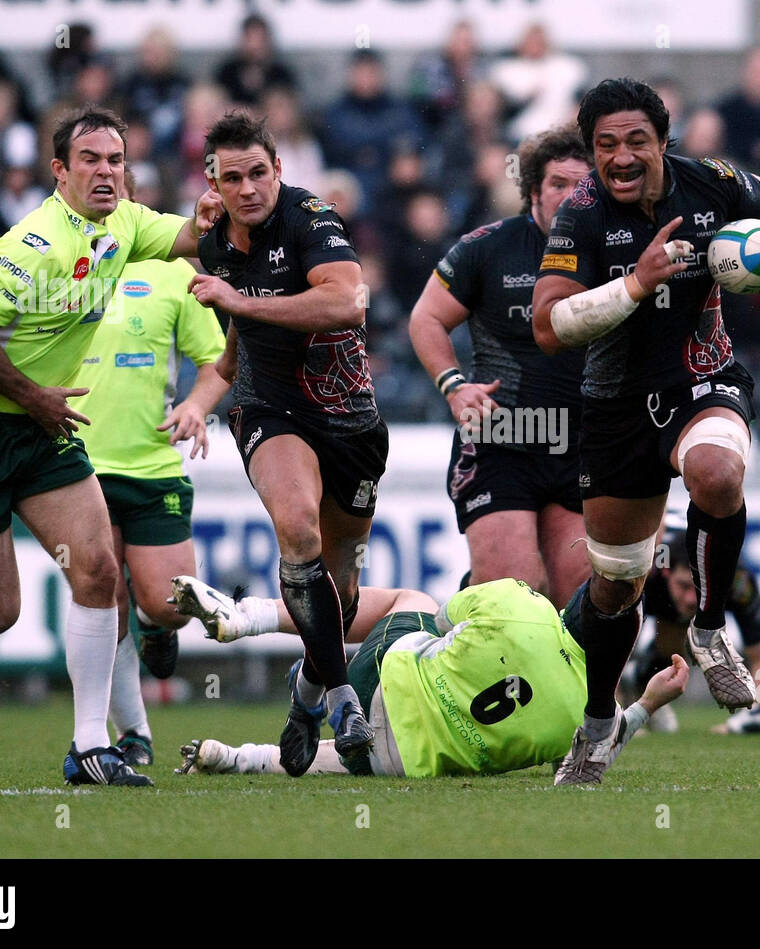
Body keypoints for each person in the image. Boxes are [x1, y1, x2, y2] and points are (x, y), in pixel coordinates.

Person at [0, 107, 219, 787]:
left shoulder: (125, 220)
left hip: (46, 427)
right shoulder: (33, 242)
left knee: (98, 572)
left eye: (116, 159)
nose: (107, 171)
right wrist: (33, 395)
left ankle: (90, 746)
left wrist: (217, 210)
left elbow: (190, 234)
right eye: (91, 159)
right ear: (59, 171)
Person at [532, 77, 760, 784]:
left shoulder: (707, 180)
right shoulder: (581, 217)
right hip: (616, 410)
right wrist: (636, 283)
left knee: (716, 472)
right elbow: (548, 324)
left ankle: (710, 629)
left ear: (663, 141)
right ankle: (597, 722)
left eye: (636, 142)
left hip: (702, 379)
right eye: (605, 146)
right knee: (618, 585)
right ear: (593, 153)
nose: (621, 157)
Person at [190, 111, 387, 777]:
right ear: (212, 180)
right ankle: (341, 697)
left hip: (351, 420)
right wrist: (198, 402)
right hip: (268, 408)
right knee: (296, 527)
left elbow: (346, 302)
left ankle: (304, 697)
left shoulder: (311, 216)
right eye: (232, 177)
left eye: (258, 173)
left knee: (345, 590)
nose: (248, 188)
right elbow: (232, 352)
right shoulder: (209, 238)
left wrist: (240, 301)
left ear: (279, 168)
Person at [169, 575, 688, 778]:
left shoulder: (520, 601)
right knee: (382, 750)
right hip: (398, 760)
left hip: (373, 684)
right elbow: (591, 755)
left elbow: (443, 622)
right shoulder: (587, 711)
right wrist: (646, 704)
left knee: (411, 602)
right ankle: (237, 758)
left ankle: (258, 622)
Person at [67, 168, 229, 765]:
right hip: (75, 467)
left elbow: (217, 362)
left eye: (117, 195)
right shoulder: (59, 267)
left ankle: (154, 624)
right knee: (98, 595)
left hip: (153, 465)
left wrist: (195, 405)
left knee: (167, 604)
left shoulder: (172, 272)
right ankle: (131, 733)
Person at [409, 126, 592, 608]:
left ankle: (589, 688)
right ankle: (463, 628)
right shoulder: (487, 247)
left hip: (581, 446)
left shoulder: (613, 250)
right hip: (499, 441)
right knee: (513, 596)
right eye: (558, 185)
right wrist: (453, 386)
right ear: (533, 189)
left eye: (582, 186)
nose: (570, 198)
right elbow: (426, 318)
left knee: (581, 603)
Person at [626, 526, 760, 733]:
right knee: (625, 642)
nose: (691, 600)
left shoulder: (737, 579)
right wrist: (613, 716)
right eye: (684, 586)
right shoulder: (647, 572)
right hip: (654, 574)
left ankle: (642, 678)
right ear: (667, 572)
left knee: (679, 639)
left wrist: (752, 716)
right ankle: (638, 685)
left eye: (699, 589)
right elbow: (606, 651)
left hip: (673, 605)